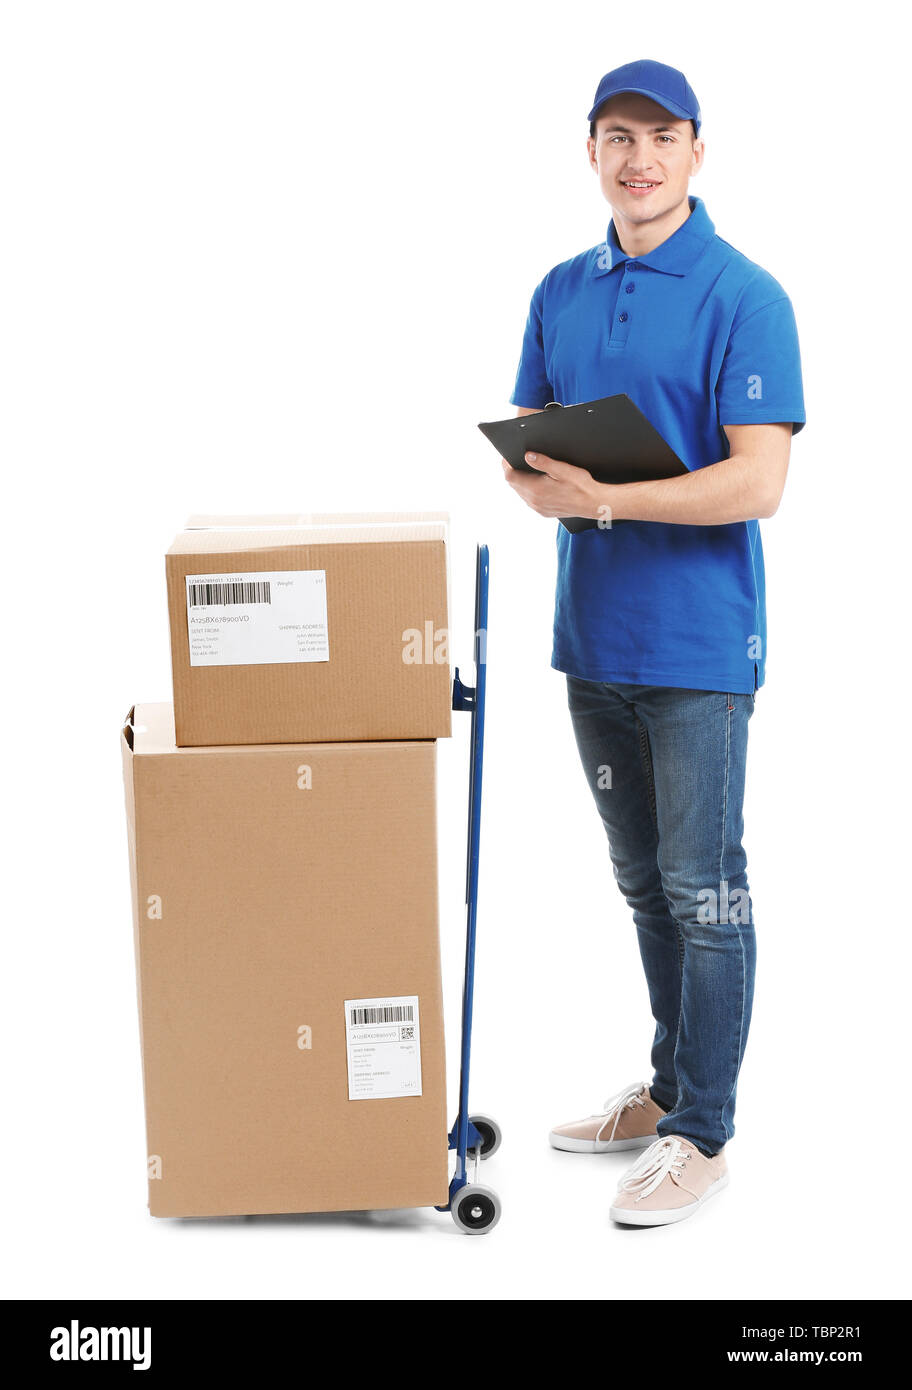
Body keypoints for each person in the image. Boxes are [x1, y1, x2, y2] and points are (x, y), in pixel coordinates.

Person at [503, 58, 806, 1226]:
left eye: (662, 137)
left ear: (695, 152)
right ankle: (673, 1084)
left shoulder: (745, 293)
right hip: (593, 642)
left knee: (704, 889)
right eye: (617, 136)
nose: (639, 158)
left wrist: (613, 498)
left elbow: (760, 480)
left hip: (695, 650)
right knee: (642, 884)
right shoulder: (560, 288)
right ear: (590, 151)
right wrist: (543, 482)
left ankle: (702, 1134)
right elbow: (531, 437)